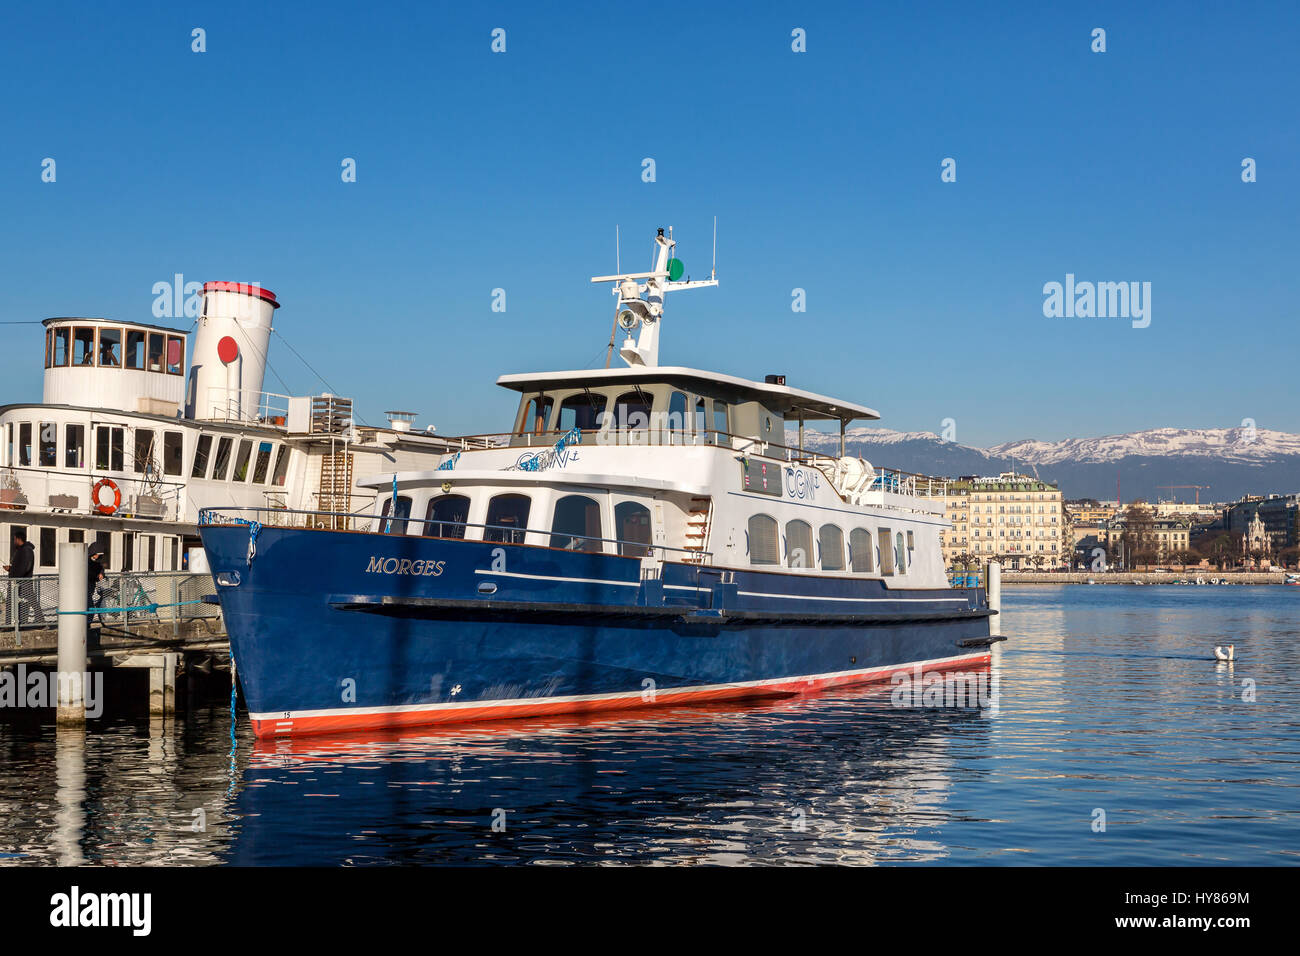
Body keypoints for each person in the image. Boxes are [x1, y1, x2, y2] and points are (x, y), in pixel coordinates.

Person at [4, 531, 45, 627]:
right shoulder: (21, 550)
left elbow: (26, 567)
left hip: (23, 582)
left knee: (31, 601)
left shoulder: (26, 550)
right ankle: (9, 625)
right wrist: (11, 569)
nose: (14, 541)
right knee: (11, 602)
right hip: (17, 581)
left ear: (18, 539)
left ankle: (41, 623)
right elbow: (20, 566)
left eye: (14, 539)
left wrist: (14, 574)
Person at [87, 549, 106, 622]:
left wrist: (102, 574)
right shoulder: (86, 560)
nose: (98, 556)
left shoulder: (98, 561)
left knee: (89, 601)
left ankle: (88, 621)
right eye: (97, 554)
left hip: (92, 584)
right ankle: (88, 621)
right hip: (85, 584)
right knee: (89, 603)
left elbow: (101, 569)